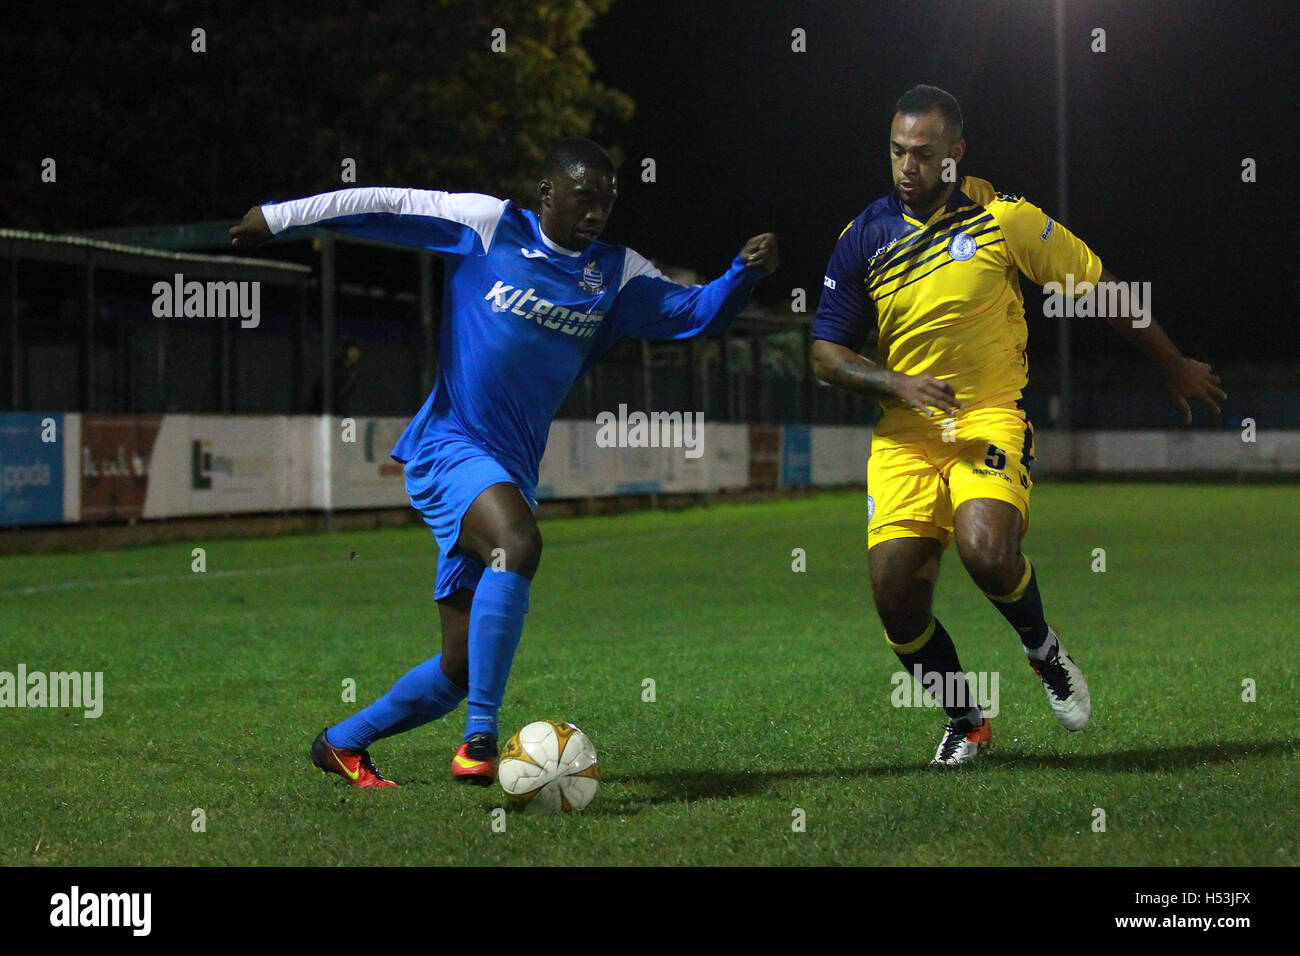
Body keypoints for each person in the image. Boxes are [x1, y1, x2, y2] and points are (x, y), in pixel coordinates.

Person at [231, 138, 778, 786]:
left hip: (508, 473)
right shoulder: (489, 225)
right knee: (517, 544)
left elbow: (694, 313)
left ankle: (342, 742)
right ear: (546, 194)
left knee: (458, 668)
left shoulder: (616, 273)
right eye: (583, 198)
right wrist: (280, 216)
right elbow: (384, 202)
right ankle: (481, 740)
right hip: (449, 446)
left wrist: (742, 273)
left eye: (607, 202)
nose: (597, 212)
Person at [811, 86, 1224, 766]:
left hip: (989, 417)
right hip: (905, 433)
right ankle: (967, 720)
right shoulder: (863, 237)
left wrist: (1173, 364)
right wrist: (893, 381)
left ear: (955, 154)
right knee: (895, 598)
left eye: (921, 153)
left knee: (985, 550)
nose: (906, 166)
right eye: (896, 152)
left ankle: (1044, 650)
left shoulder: (1005, 220)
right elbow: (825, 351)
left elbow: (1101, 285)